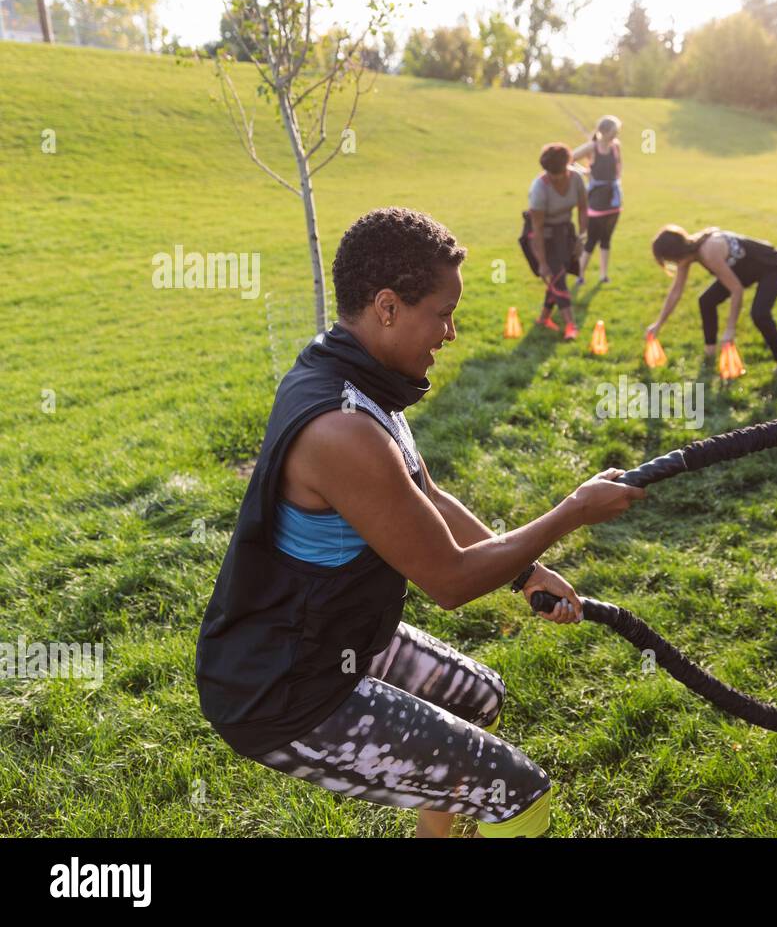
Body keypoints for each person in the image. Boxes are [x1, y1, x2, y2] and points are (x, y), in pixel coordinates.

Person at [195, 207, 645, 838]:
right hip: (283, 689)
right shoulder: (343, 429)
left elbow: (425, 492)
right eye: (442, 312)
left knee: (478, 697)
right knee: (519, 795)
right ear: (386, 306)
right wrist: (573, 512)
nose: (451, 332)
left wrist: (526, 571)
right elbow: (450, 581)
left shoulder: (354, 376)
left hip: (339, 637)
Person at [646, 225, 777, 370]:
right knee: (706, 301)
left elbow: (736, 290)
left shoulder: (709, 252)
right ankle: (710, 353)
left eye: (670, 261)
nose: (674, 265)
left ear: (677, 254)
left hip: (771, 266)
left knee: (760, 314)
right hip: (744, 272)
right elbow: (676, 291)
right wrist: (658, 324)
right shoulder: (689, 252)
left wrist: (730, 329)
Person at [527, 143, 588, 341]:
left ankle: (544, 318)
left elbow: (583, 208)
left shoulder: (577, 178)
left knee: (558, 274)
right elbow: (536, 229)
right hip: (541, 236)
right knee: (556, 275)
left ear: (568, 165)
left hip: (564, 233)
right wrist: (542, 263)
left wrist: (581, 237)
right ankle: (571, 325)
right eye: (551, 174)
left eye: (559, 173)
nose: (555, 178)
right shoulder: (539, 188)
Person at [572, 115, 623, 288]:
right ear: (604, 132)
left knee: (606, 239)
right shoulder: (592, 147)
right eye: (614, 131)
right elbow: (570, 158)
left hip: (614, 200)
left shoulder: (616, 147)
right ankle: (580, 275)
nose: (616, 134)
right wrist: (585, 172)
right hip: (596, 200)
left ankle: (603, 275)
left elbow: (618, 169)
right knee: (592, 239)